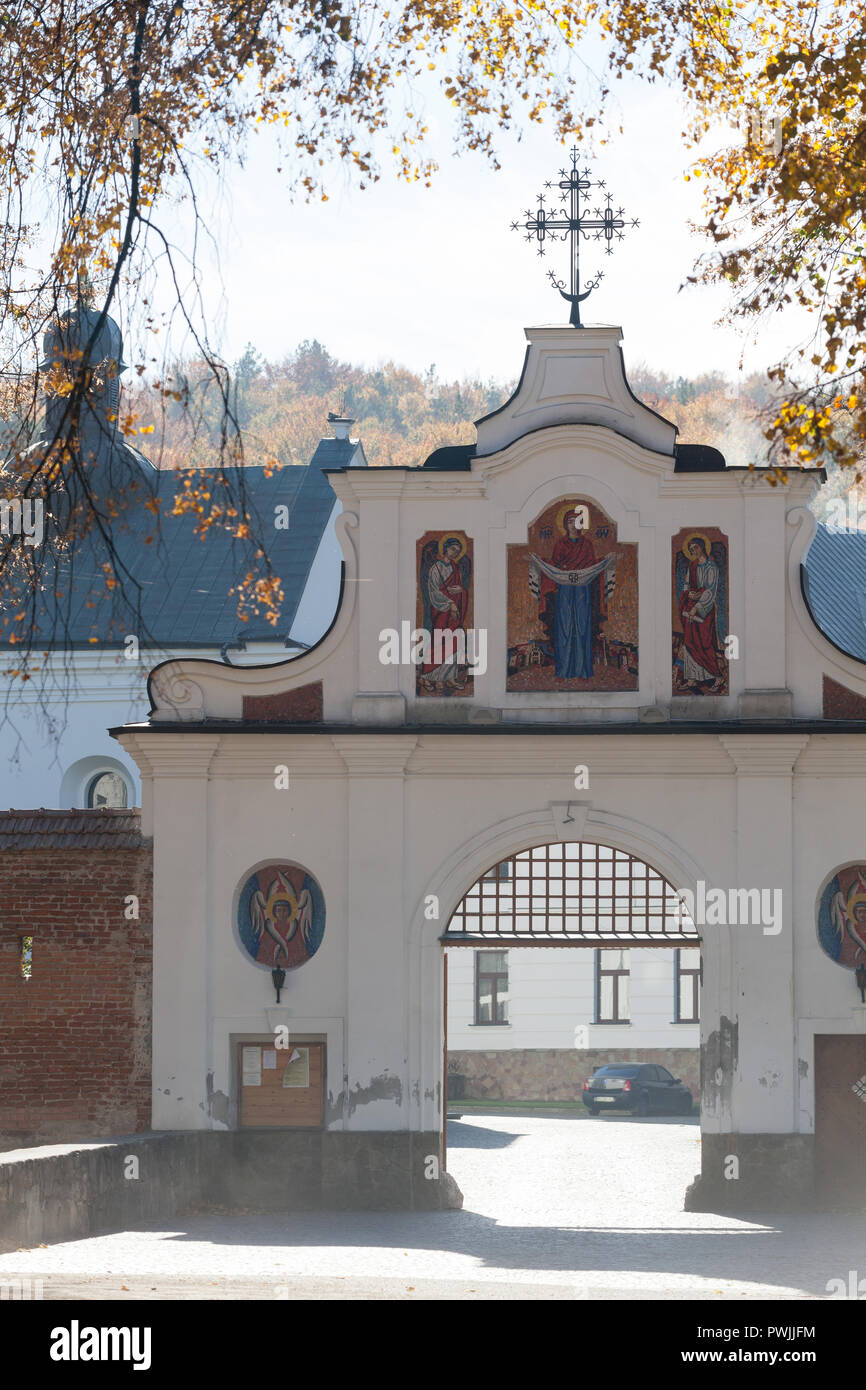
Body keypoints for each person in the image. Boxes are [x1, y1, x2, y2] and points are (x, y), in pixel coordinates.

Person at [678, 537, 725, 692]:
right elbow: (686, 583)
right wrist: (688, 593)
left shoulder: (712, 567)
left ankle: (717, 677)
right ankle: (692, 679)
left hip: (705, 610)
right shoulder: (692, 566)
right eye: (691, 550)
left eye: (696, 548)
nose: (694, 552)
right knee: (690, 642)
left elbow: (710, 590)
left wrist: (697, 605)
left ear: (703, 547)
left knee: (704, 643)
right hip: (691, 606)